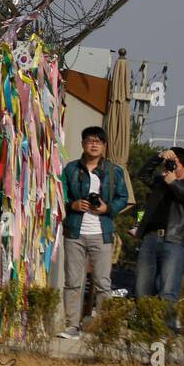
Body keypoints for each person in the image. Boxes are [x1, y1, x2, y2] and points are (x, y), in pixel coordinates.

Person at [59, 126, 128, 339]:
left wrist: (107, 208)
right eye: (90, 140)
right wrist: (72, 205)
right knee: (72, 281)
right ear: (83, 144)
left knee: (102, 283)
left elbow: (122, 197)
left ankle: (104, 328)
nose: (94, 144)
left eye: (99, 141)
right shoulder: (70, 169)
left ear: (104, 146)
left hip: (102, 233)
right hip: (75, 232)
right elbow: (60, 194)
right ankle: (72, 326)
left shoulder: (114, 171)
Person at [135, 146, 184, 330]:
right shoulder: (160, 181)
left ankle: (166, 330)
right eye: (169, 163)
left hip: (174, 241)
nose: (172, 167)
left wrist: (174, 183)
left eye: (176, 164)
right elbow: (142, 175)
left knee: (168, 290)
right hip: (150, 238)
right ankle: (142, 329)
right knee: (142, 287)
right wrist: (158, 157)